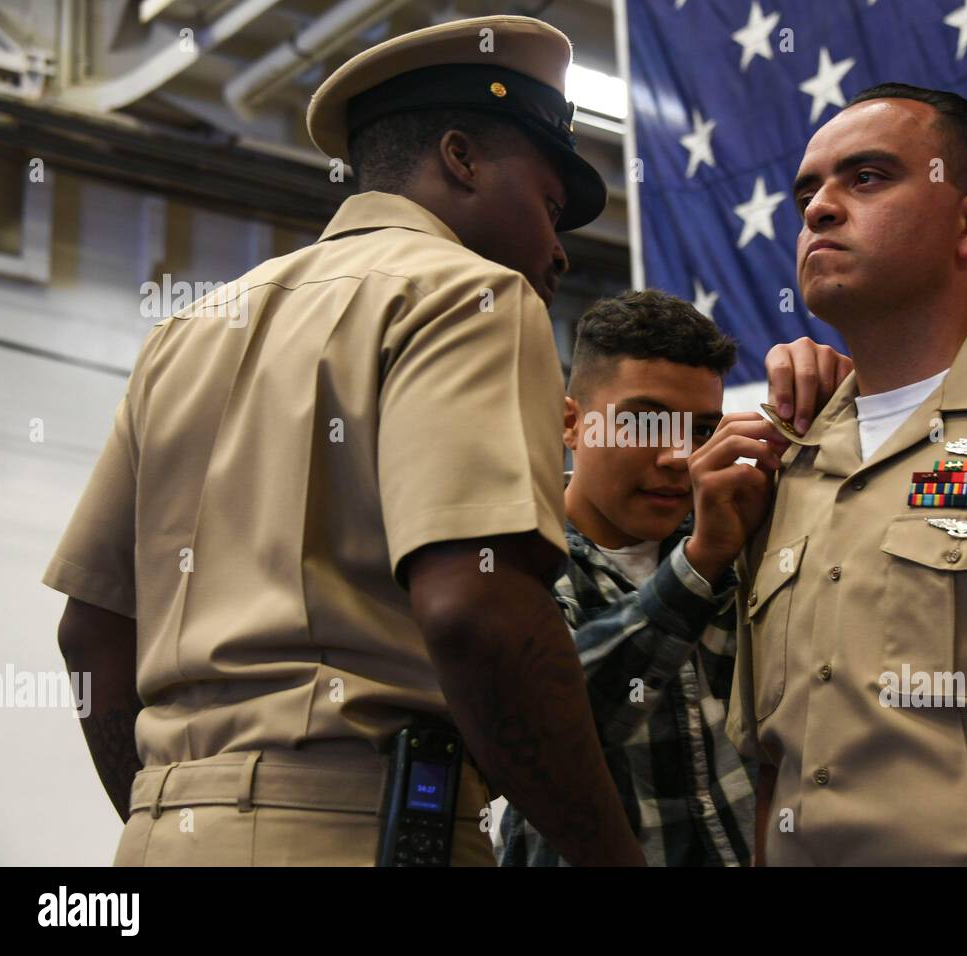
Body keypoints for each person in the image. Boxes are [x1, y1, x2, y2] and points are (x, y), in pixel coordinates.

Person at [46, 15, 643, 867]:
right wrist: (608, 856)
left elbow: (90, 635)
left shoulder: (188, 330)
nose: (555, 252)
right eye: (550, 209)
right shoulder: (471, 297)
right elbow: (475, 608)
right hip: (361, 832)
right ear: (460, 158)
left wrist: (183, 815)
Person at [721, 83, 967, 865]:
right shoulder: (790, 458)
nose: (818, 210)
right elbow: (775, 759)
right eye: (807, 192)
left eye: (866, 178)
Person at [499, 290, 826, 865]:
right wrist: (698, 566)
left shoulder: (736, 544)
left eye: (701, 430)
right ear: (571, 423)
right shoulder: (513, 559)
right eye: (645, 423)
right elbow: (548, 727)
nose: (679, 456)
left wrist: (837, 401)